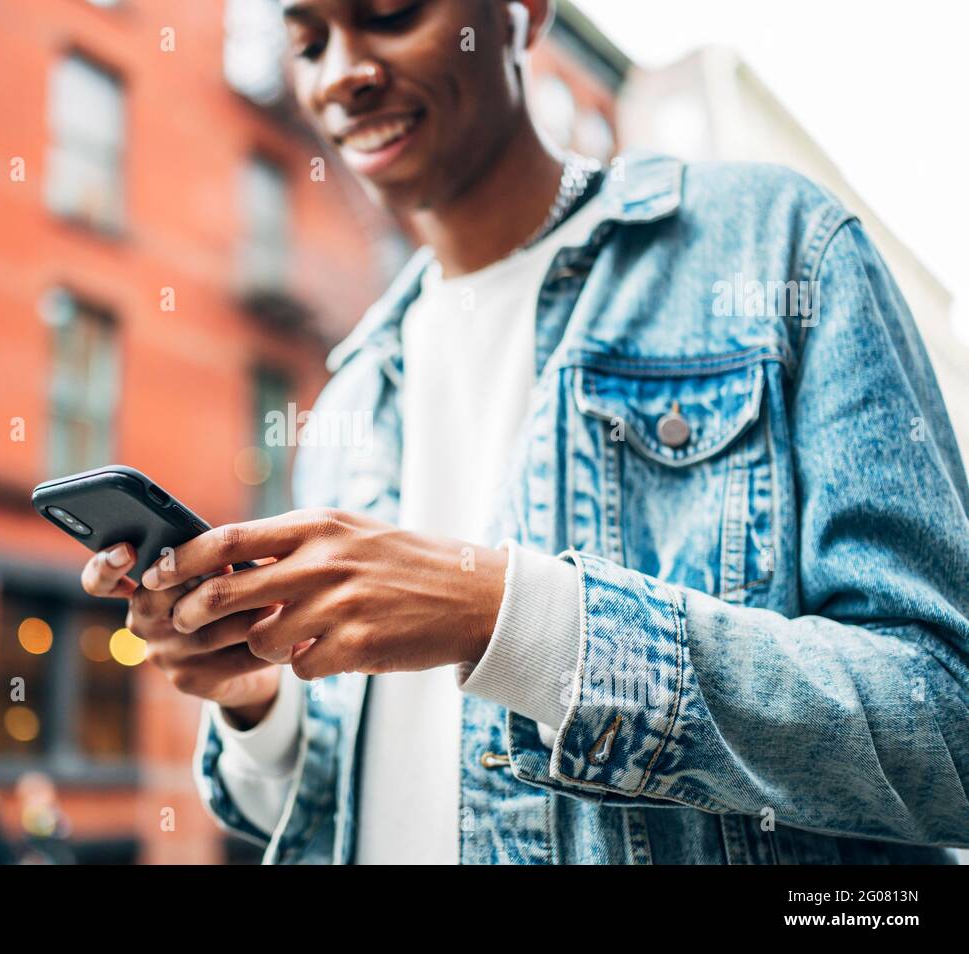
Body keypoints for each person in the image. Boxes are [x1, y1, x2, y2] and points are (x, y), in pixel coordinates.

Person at [82, 0, 969, 863]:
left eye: (389, 14)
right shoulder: (353, 390)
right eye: (308, 42)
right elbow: (338, 809)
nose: (341, 75)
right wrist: (252, 697)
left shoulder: (772, 245)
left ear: (524, 13)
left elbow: (948, 723)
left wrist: (509, 616)